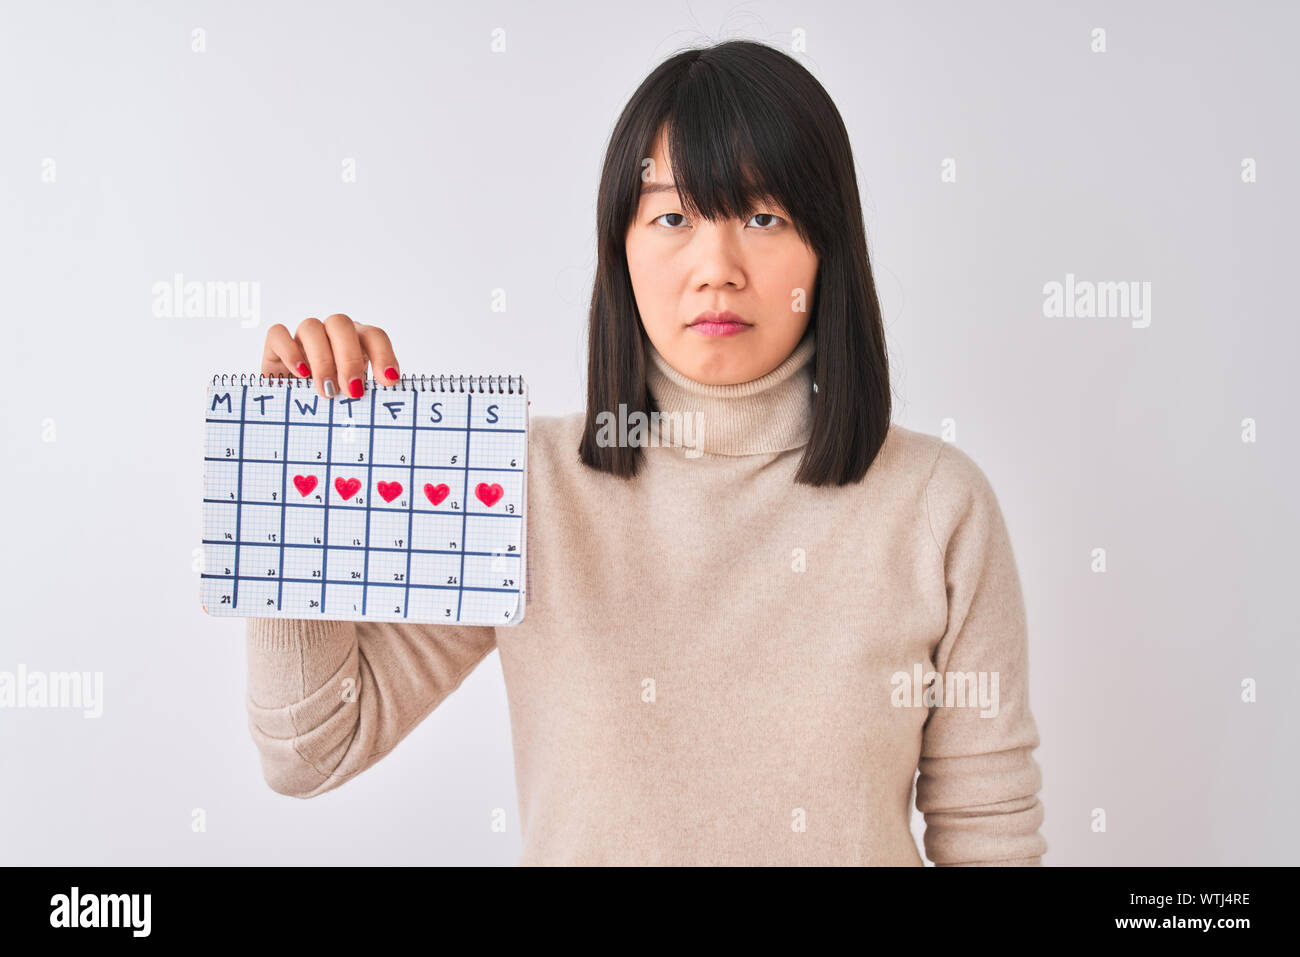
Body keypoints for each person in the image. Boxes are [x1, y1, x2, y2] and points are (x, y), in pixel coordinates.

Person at [247, 39, 1047, 866]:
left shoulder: (936, 504)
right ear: (619, 250)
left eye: (764, 216)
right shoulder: (525, 488)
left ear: (828, 244)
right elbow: (312, 750)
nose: (717, 269)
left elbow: (989, 833)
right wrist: (285, 472)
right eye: (672, 216)